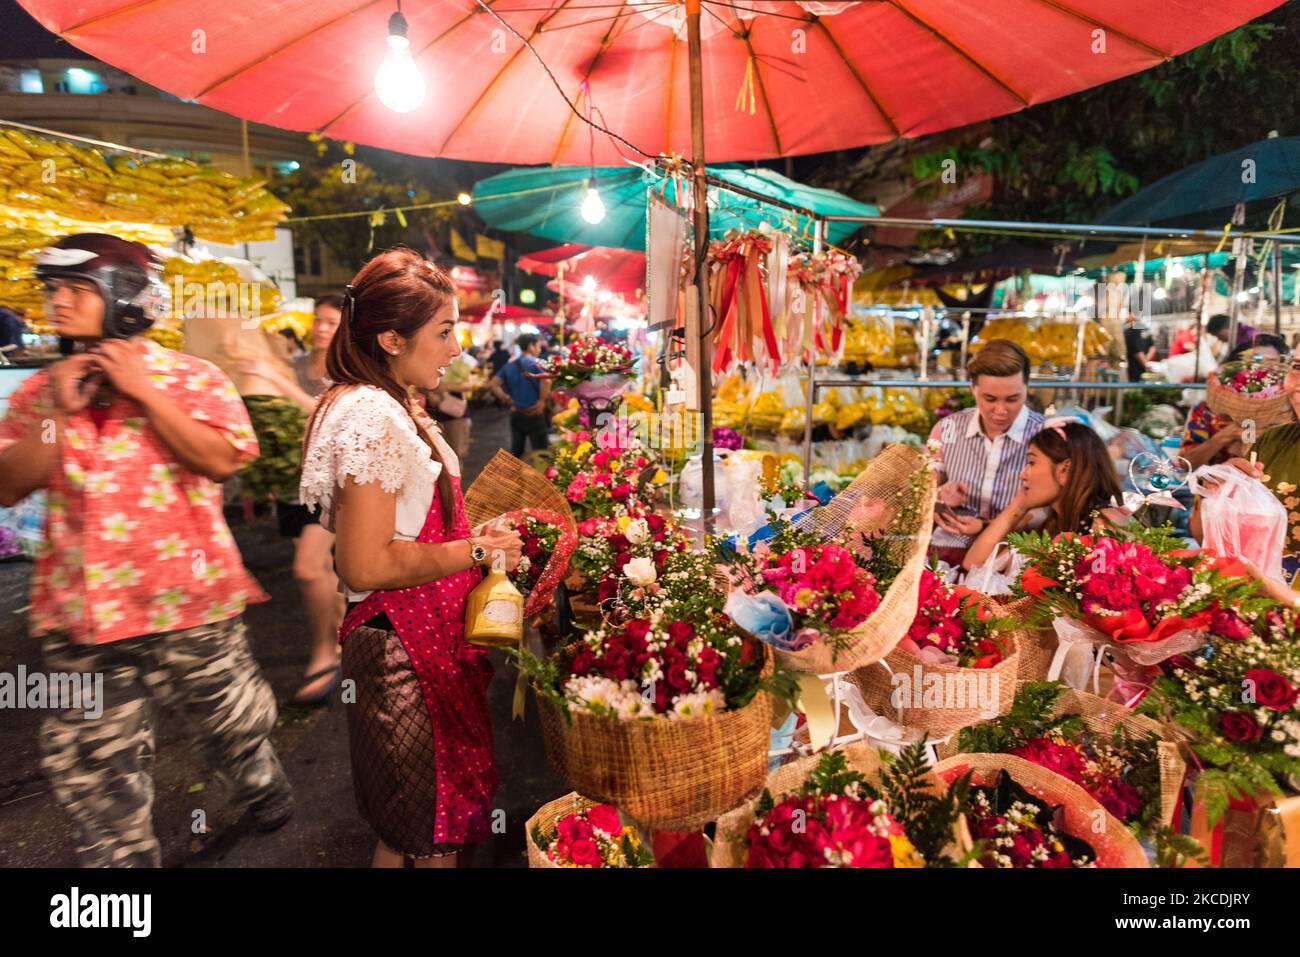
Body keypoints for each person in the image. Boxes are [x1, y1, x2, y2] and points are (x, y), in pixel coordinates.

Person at [0, 233, 291, 867]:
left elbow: (219, 460)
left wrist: (145, 392)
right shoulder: (41, 393)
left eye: (77, 289)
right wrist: (57, 409)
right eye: (54, 290)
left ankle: (258, 778)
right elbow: (8, 483)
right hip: (84, 615)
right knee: (93, 761)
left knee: (231, 722)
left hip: (190, 602)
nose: (59, 303)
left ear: (124, 297)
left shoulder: (192, 378)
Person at [300, 248, 522, 868]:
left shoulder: (383, 397)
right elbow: (365, 565)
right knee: (430, 831)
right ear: (392, 337)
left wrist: (474, 534)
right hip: (405, 649)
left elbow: (408, 521)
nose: (456, 349)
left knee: (411, 828)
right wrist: (477, 548)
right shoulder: (371, 413)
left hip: (420, 641)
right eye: (444, 332)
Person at [235, 295, 346, 705]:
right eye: (318, 320)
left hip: (330, 485)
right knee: (320, 570)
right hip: (289, 483)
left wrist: (273, 379)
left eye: (331, 322)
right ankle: (346, 636)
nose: (321, 328)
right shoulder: (295, 363)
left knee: (305, 569)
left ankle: (325, 652)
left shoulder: (346, 371)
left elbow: (324, 415)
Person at [929, 339, 1045, 566]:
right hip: (947, 550)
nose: (1000, 410)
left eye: (1013, 399)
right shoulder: (948, 429)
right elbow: (924, 492)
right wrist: (941, 496)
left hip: (1013, 553)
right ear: (973, 388)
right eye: (989, 399)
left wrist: (985, 527)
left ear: (1027, 387)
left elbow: (1046, 512)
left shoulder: (1044, 435)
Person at [963, 420, 1126, 575]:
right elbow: (974, 565)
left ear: (1064, 469)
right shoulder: (1050, 527)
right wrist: (1017, 507)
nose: (1022, 474)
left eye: (1031, 462)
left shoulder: (1104, 522)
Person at [1178, 334, 1287, 470]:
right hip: (1216, 488)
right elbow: (1185, 464)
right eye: (1256, 360)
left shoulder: (1290, 412)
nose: (1263, 368)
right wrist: (1227, 435)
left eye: (1273, 362)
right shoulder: (1206, 411)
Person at [489, 332, 551, 459]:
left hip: (517, 413)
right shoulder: (538, 363)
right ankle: (541, 477)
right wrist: (541, 401)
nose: (539, 349)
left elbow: (493, 384)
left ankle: (515, 477)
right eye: (538, 346)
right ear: (530, 346)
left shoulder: (510, 365)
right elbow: (547, 380)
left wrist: (506, 399)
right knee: (541, 452)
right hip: (535, 413)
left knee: (516, 451)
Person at [1123, 313, 1157, 382]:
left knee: (1137, 387)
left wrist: (1145, 363)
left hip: (1138, 367)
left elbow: (1137, 351)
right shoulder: (1143, 328)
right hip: (1141, 366)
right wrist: (1146, 362)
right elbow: (1152, 347)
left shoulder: (1131, 330)